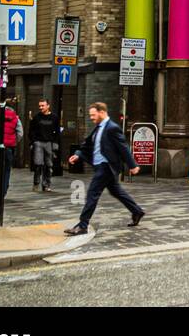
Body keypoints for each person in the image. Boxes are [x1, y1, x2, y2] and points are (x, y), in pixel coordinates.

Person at [64, 102, 144, 235]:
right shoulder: (98, 127)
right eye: (90, 115)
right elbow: (89, 145)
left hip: (106, 166)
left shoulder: (112, 128)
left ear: (102, 112)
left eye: (93, 115)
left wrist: (132, 165)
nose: (91, 117)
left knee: (92, 194)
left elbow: (123, 147)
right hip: (101, 166)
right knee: (116, 191)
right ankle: (137, 211)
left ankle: (83, 225)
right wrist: (78, 155)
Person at [0, 101, 23, 198]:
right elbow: (20, 133)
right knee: (6, 169)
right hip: (8, 147)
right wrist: (13, 141)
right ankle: (3, 191)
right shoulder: (15, 117)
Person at [29, 99, 59, 192]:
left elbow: (57, 131)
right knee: (38, 164)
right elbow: (31, 130)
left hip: (49, 143)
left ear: (48, 106)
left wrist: (55, 143)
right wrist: (33, 141)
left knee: (49, 165)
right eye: (40, 106)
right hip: (38, 142)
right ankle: (36, 183)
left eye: (43, 105)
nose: (41, 107)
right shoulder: (37, 117)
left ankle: (46, 185)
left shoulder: (54, 117)